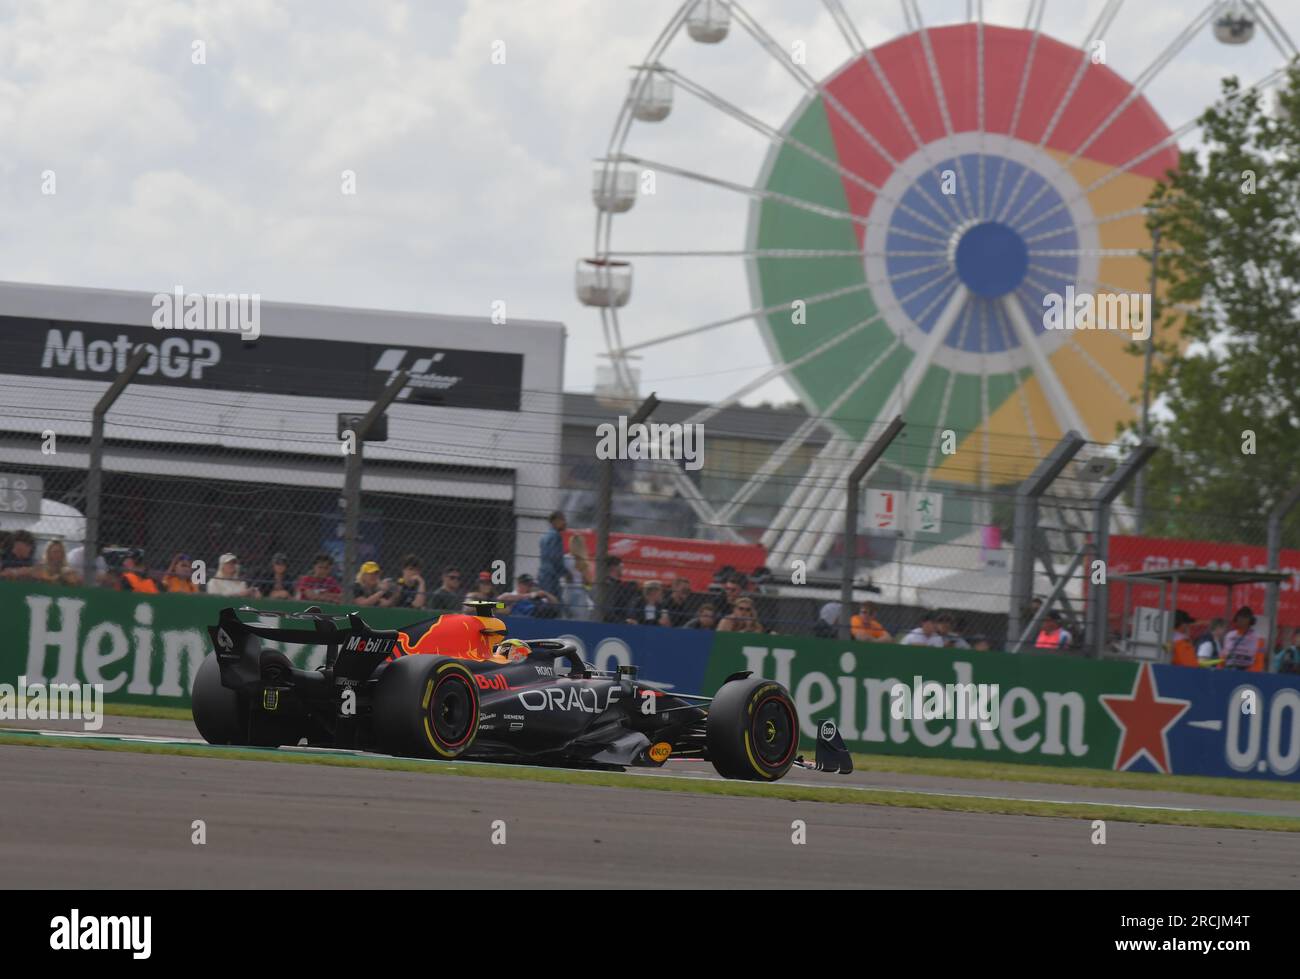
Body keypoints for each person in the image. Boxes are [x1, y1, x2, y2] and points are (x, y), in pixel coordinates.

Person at [1221, 606, 1266, 672]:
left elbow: (1259, 661)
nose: (1241, 619)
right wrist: (1220, 671)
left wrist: (1251, 674)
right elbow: (1223, 656)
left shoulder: (1258, 639)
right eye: (1239, 616)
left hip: (1247, 672)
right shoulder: (1229, 636)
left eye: (1245, 617)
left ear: (1250, 620)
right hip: (1228, 671)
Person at [560, 534, 594, 620]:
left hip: (566, 590)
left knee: (565, 617)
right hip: (579, 592)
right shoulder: (582, 561)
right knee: (580, 619)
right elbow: (589, 581)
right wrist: (589, 586)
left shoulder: (564, 558)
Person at [600, 556, 641, 623]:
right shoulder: (607, 585)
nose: (623, 567)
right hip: (611, 624)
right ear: (613, 567)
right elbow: (608, 610)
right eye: (621, 565)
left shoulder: (619, 585)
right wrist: (623, 622)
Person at [538, 511, 566, 599]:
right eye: (563, 520)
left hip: (543, 574)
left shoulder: (544, 537)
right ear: (555, 521)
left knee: (546, 600)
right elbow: (556, 558)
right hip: (552, 576)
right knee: (555, 602)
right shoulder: (556, 536)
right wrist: (565, 572)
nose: (565, 523)